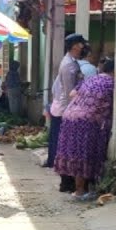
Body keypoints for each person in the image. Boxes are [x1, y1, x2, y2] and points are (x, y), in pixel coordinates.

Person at [54, 58, 116, 200]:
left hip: (70, 116)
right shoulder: (113, 84)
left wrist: (85, 101)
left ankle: (75, 188)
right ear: (115, 71)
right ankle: (80, 191)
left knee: (74, 154)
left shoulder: (90, 79)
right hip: (88, 121)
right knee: (85, 155)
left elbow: (72, 94)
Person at [47, 33, 87, 193]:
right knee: (66, 147)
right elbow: (71, 92)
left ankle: (66, 182)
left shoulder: (71, 62)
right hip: (65, 110)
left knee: (64, 146)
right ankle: (66, 182)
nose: (83, 47)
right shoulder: (69, 65)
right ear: (75, 46)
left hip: (64, 109)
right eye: (81, 44)